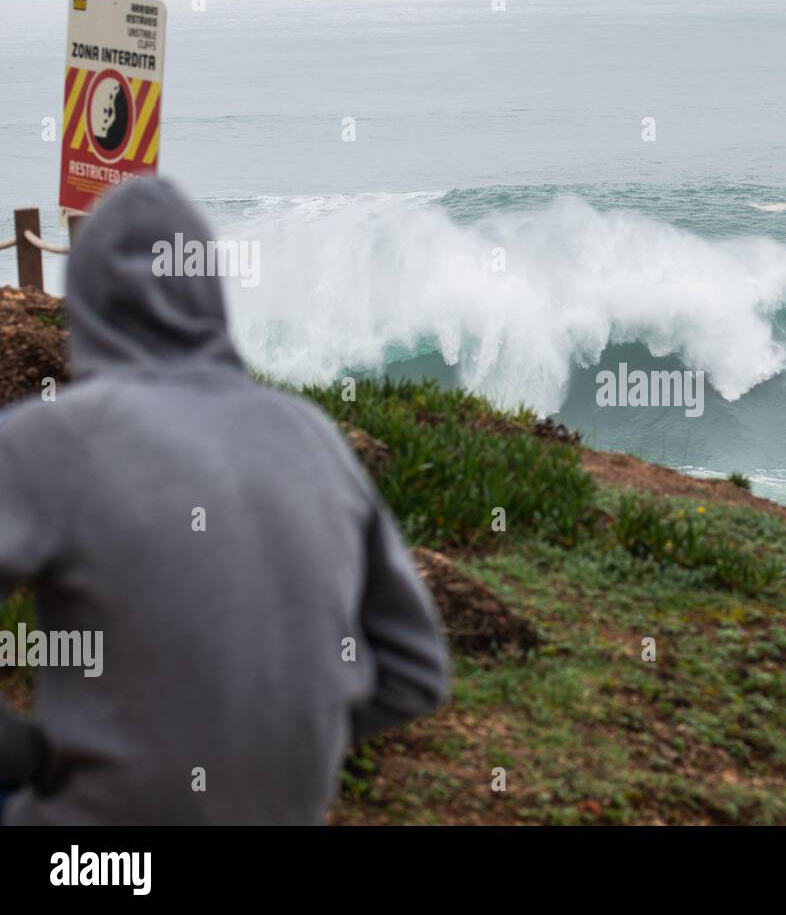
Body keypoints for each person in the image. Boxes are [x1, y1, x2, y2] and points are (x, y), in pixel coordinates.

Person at [0, 178, 452, 824]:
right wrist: (278, 732)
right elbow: (415, 668)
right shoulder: (314, 437)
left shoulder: (51, 437)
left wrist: (36, 756)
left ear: (86, 304)